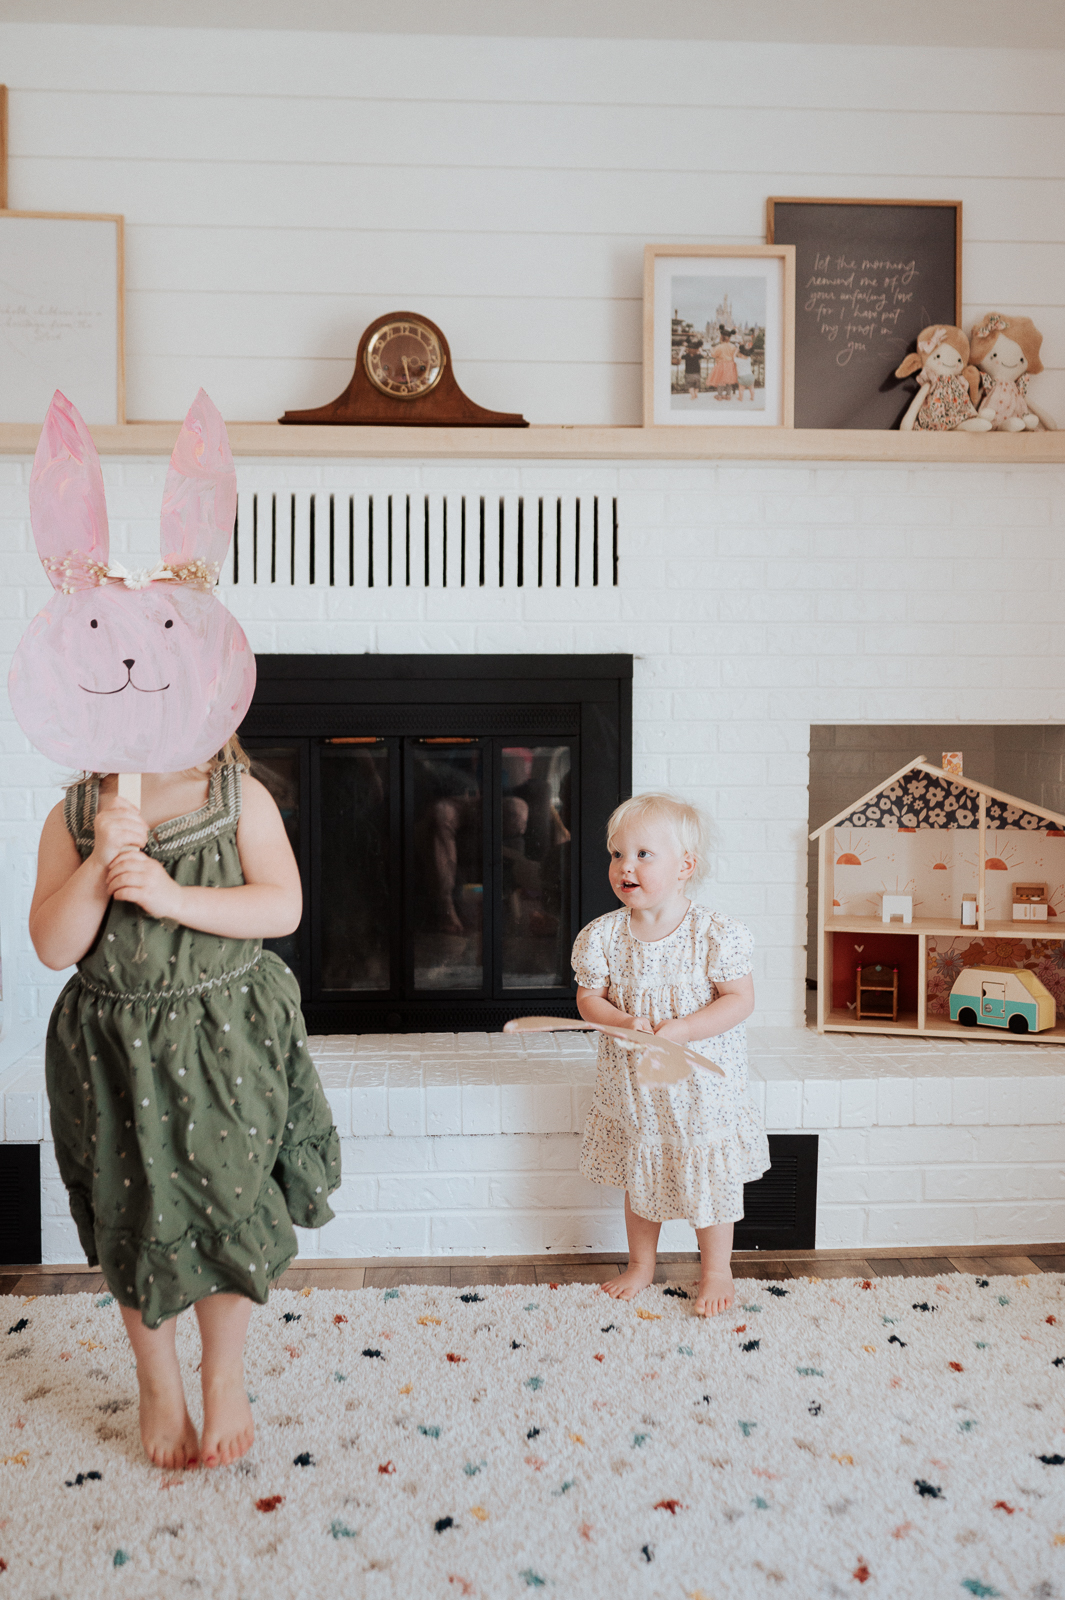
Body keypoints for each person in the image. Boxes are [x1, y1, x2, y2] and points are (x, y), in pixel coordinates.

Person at [29, 741, 340, 1472]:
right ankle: (157, 1377)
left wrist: (171, 897)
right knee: (132, 1207)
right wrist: (100, 865)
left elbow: (282, 905)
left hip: (222, 1044)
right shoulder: (74, 817)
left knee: (224, 1196)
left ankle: (222, 1372)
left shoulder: (238, 797)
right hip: (116, 1056)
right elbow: (52, 945)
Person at [571, 793, 769, 1317]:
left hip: (700, 1091)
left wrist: (682, 1029)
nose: (624, 866)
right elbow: (589, 999)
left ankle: (716, 1270)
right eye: (617, 854)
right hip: (639, 1090)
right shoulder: (604, 936)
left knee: (707, 1176)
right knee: (644, 1172)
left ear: (685, 867)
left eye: (642, 854)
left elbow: (739, 1000)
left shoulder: (714, 934)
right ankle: (641, 1264)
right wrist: (622, 1021)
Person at [707, 325, 739, 400]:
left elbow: (714, 354)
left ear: (721, 337)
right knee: (729, 381)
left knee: (720, 381)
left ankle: (720, 395)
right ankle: (728, 395)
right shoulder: (732, 346)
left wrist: (711, 349)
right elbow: (734, 355)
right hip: (730, 365)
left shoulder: (719, 347)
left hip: (721, 364)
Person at [735, 337, 755, 402]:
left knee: (741, 389)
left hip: (742, 377)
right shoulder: (748, 359)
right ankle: (752, 397)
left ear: (740, 354)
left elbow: (733, 356)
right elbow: (748, 354)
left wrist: (736, 350)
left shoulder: (738, 360)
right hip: (750, 376)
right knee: (751, 388)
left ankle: (740, 398)